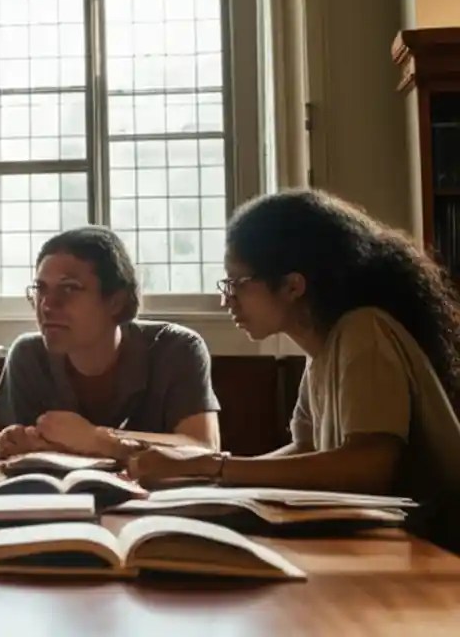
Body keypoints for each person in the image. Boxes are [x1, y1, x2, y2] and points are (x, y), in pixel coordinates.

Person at [128, 189, 460, 551]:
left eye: (237, 284)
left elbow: (368, 467)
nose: (227, 300)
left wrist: (213, 467)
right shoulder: (322, 348)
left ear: (292, 285)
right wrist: (201, 481)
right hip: (398, 544)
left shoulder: (364, 331)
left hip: (436, 548)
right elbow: (305, 449)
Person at [0, 226, 221, 460]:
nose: (47, 306)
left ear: (116, 301)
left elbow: (203, 447)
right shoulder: (28, 356)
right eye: (41, 289)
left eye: (69, 288)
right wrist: (14, 445)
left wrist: (98, 440)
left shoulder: (176, 349)